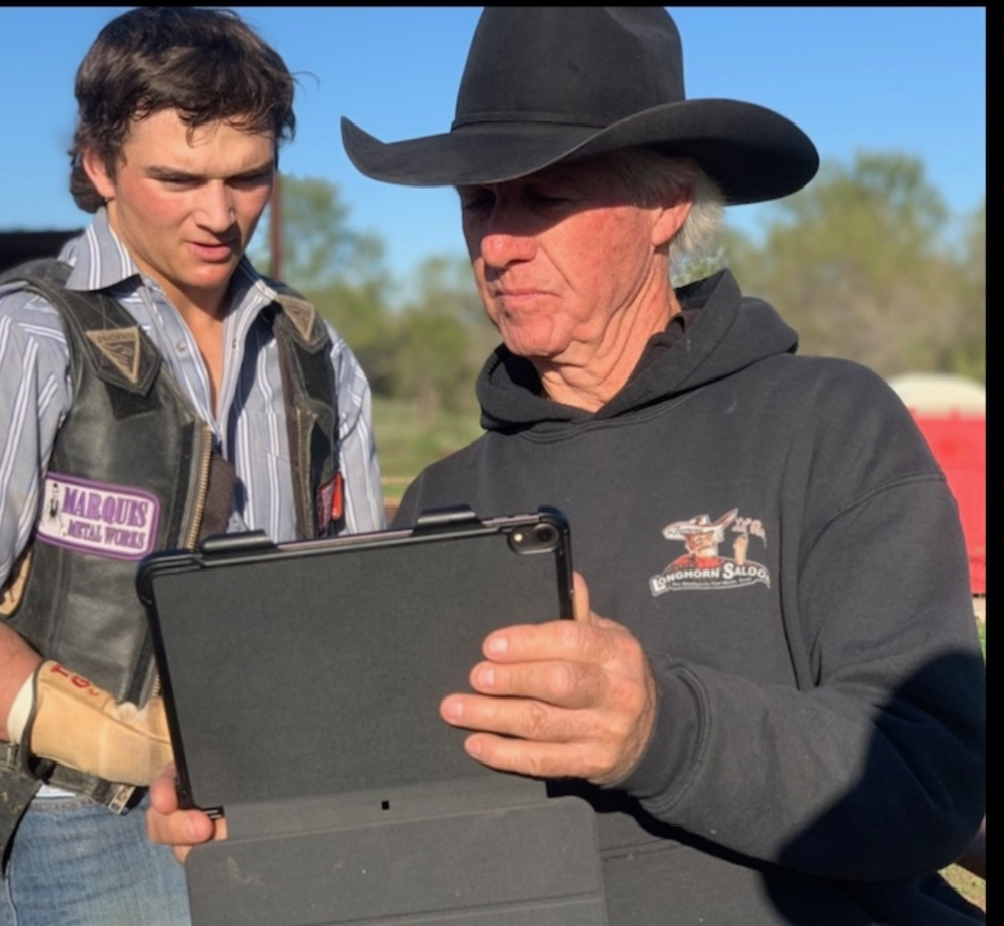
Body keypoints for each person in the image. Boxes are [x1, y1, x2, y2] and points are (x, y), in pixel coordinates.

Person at [149, 8, 985, 924]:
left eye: (543, 197)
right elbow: (422, 836)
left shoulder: (829, 424)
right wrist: (275, 839)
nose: (498, 245)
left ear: (665, 205)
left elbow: (932, 780)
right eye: (479, 203)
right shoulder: (449, 500)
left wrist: (662, 731)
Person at [0, 7, 385, 926]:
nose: (220, 214)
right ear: (99, 166)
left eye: (248, 177)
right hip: (86, 826)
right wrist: (128, 738)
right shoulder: (16, 335)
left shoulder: (312, 351)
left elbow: (359, 578)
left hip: (287, 801)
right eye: (179, 178)